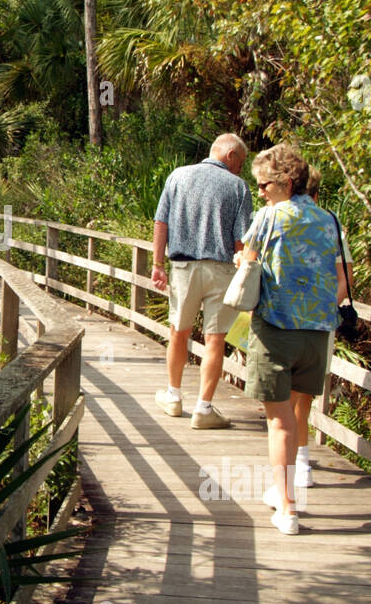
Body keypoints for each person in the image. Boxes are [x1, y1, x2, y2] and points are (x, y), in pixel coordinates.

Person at [236, 144, 342, 535]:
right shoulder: (329, 220)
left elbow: (248, 263)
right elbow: (336, 274)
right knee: (298, 415)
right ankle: (283, 491)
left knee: (279, 423)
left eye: (264, 184)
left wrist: (242, 261)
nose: (261, 191)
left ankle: (287, 507)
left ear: (285, 181)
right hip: (316, 334)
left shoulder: (268, 217)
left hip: (276, 329)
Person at [150, 133, 253, 429]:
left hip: (184, 267)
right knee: (215, 339)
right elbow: (241, 240)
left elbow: (161, 222)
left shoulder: (178, 176)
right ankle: (203, 409)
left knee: (178, 331)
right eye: (241, 162)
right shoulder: (238, 187)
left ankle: (173, 396)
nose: (241, 168)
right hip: (222, 270)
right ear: (230, 155)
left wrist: (158, 264)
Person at [290, 164, 352, 489]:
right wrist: (323, 309)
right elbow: (345, 280)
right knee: (303, 394)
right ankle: (299, 461)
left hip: (286, 319)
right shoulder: (332, 224)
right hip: (319, 320)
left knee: (288, 396)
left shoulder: (277, 218)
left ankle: (294, 464)